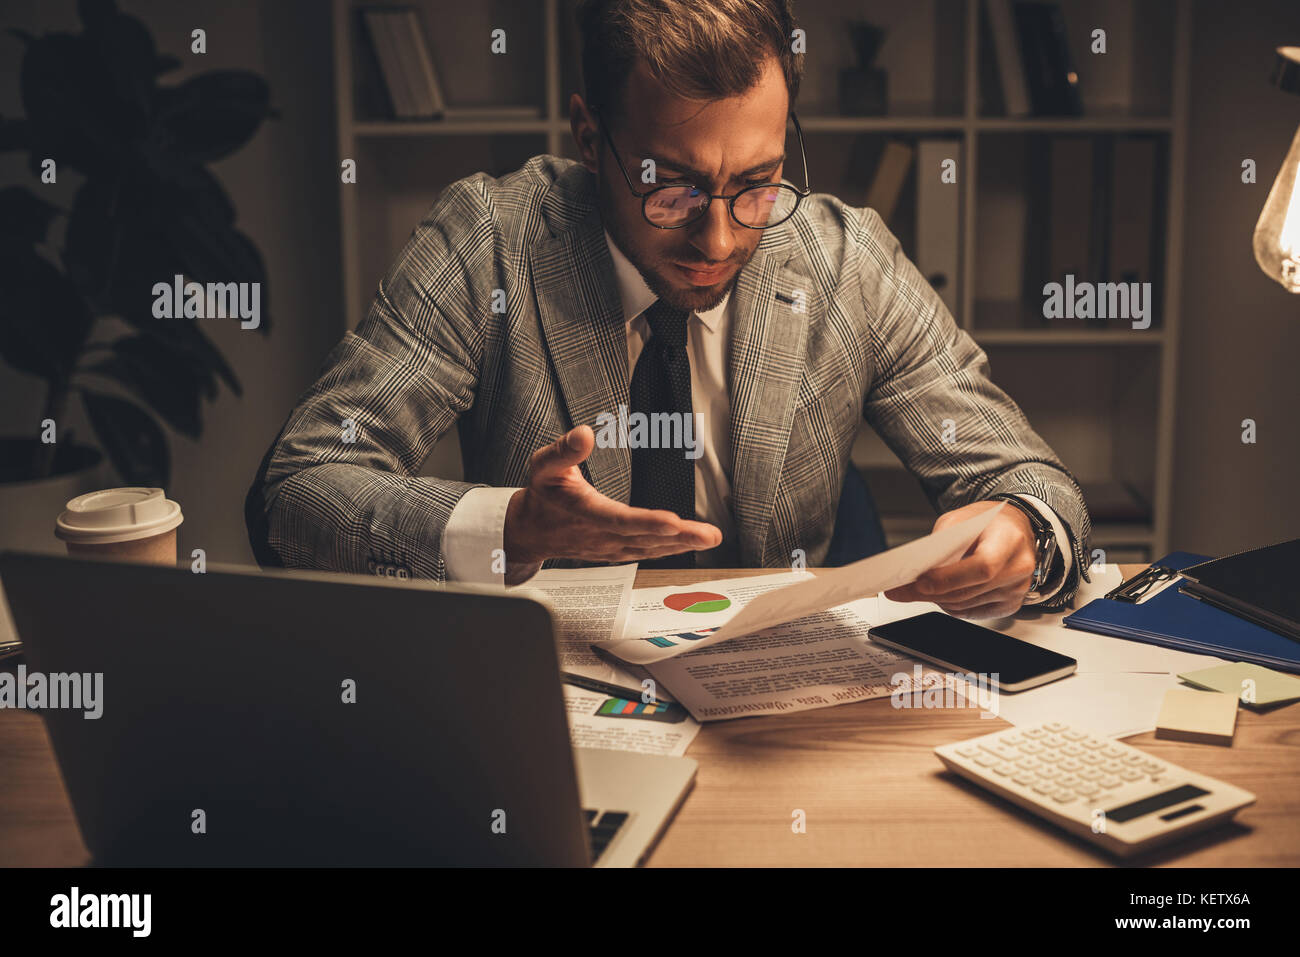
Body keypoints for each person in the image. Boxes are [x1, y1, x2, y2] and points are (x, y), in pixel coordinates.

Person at [246, 0, 1093, 619]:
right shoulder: (491, 241)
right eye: (673, 187)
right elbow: (294, 495)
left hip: (783, 709)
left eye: (757, 184)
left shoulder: (847, 263)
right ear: (588, 137)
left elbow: (1031, 479)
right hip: (562, 698)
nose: (719, 238)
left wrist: (1027, 533)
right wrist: (510, 525)